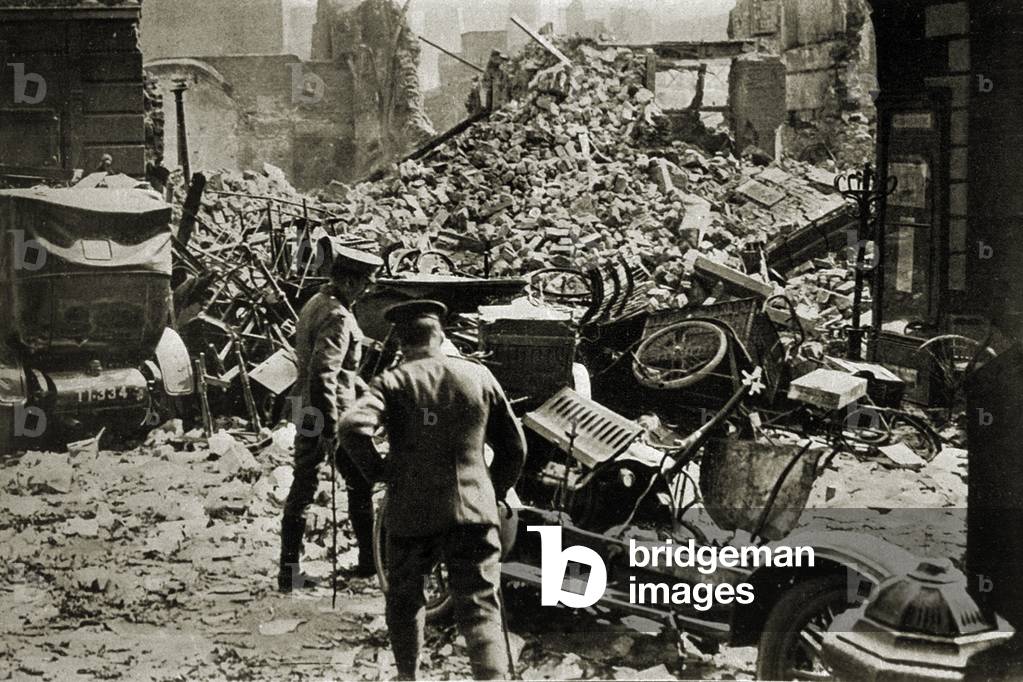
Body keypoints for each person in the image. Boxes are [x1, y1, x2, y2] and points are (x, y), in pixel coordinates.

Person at [338, 300, 527, 681]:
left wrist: (380, 471)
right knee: (480, 609)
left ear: (401, 341)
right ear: (439, 335)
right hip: (475, 512)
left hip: (412, 514)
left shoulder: (392, 382)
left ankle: (409, 677)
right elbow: (516, 448)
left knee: (405, 603)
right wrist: (493, 488)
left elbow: (351, 427)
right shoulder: (478, 375)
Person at [278, 241, 383, 592]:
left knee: (320, 482)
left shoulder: (317, 302)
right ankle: (361, 564)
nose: (370, 288)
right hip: (327, 413)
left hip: (309, 408)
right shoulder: (338, 316)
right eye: (367, 281)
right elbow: (325, 373)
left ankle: (296, 570)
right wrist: (331, 428)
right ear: (351, 282)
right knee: (328, 484)